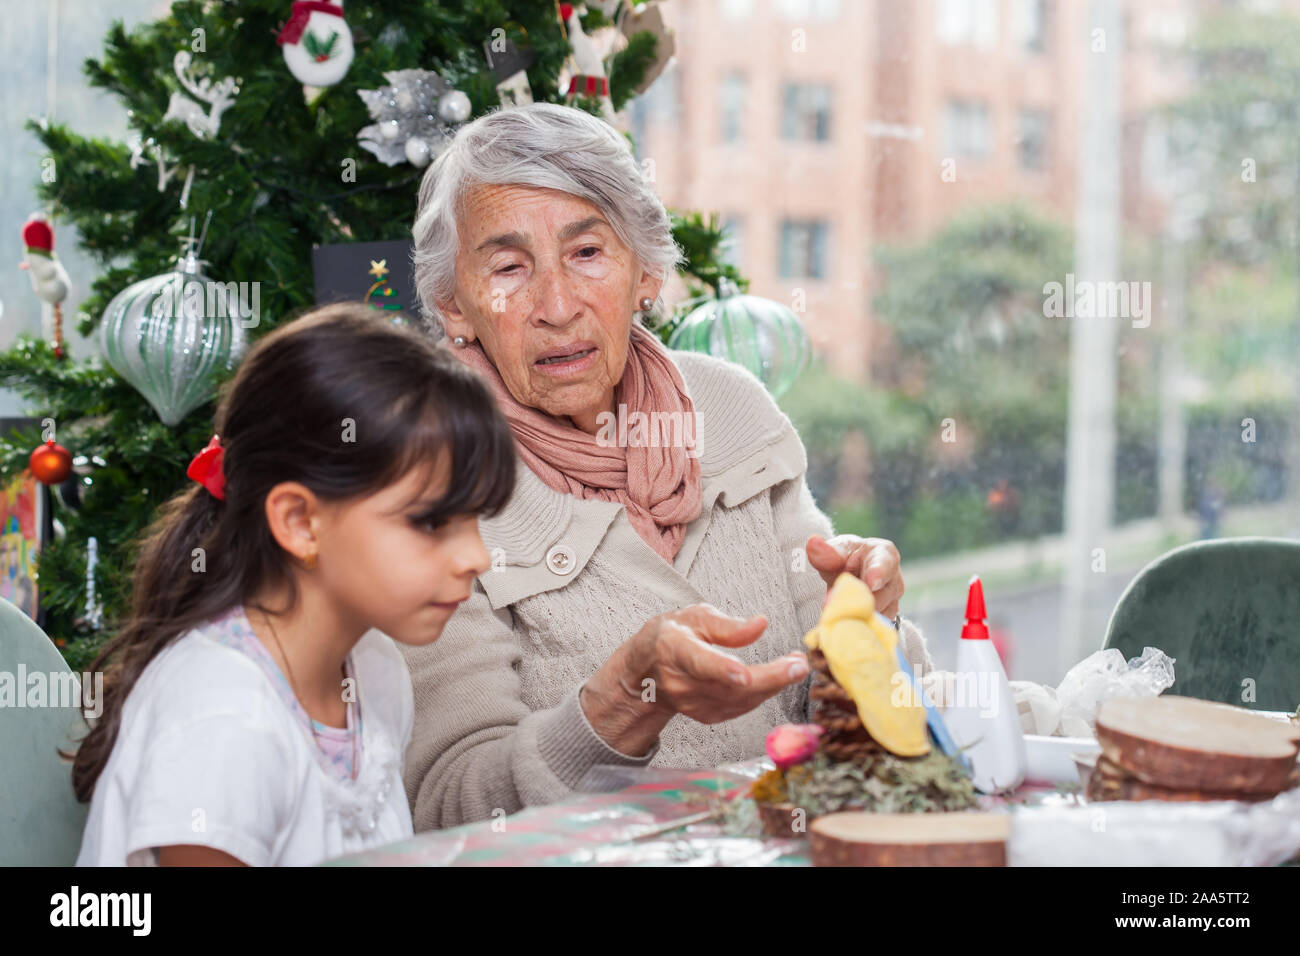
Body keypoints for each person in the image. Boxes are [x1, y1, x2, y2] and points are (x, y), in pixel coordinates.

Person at [401, 102, 937, 830]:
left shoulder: (731, 407)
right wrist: (624, 700)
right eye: (508, 267)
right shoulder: (428, 486)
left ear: (645, 271)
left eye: (588, 253)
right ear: (452, 306)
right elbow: (453, 805)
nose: (557, 305)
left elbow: (853, 716)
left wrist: (868, 622)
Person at [73, 304, 516, 865]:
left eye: (478, 519)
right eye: (431, 522)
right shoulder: (226, 720)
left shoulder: (375, 670)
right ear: (300, 523)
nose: (476, 556)